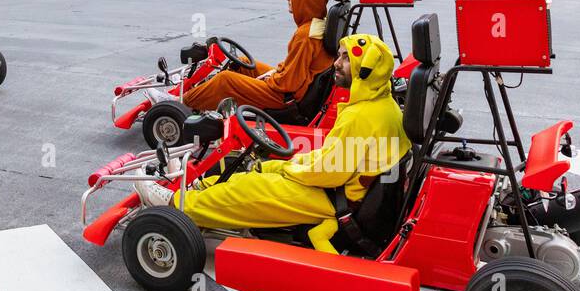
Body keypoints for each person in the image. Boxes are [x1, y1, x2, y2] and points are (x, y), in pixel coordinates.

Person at [134, 32, 410, 254]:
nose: (336, 64)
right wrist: (289, 165)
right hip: (344, 190)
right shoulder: (383, 105)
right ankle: (199, 188)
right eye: (339, 56)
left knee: (248, 187)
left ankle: (178, 204)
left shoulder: (361, 116)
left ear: (364, 71)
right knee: (261, 169)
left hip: (338, 199)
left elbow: (330, 173)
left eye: (346, 59)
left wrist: (290, 169)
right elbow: (333, 161)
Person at [141, 0, 334, 113]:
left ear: (305, 1)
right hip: (297, 88)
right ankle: (201, 99)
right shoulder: (318, 25)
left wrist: (269, 79)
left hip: (287, 96)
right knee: (242, 63)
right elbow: (296, 71)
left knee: (225, 79)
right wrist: (274, 73)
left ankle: (178, 103)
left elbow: (289, 82)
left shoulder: (305, 35)